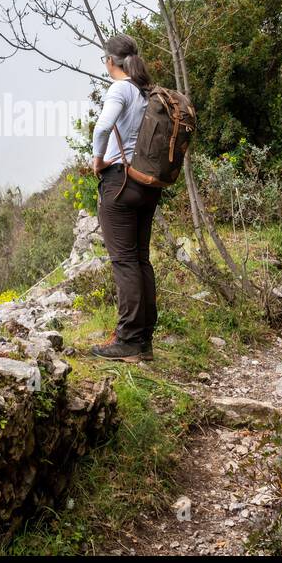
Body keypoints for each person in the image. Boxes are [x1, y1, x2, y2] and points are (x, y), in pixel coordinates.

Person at [89, 34, 162, 363]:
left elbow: (102, 128)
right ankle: (144, 340)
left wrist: (97, 159)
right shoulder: (147, 91)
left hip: (120, 182)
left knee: (124, 261)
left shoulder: (120, 89)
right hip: (147, 183)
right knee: (141, 258)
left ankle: (128, 340)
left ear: (109, 61)